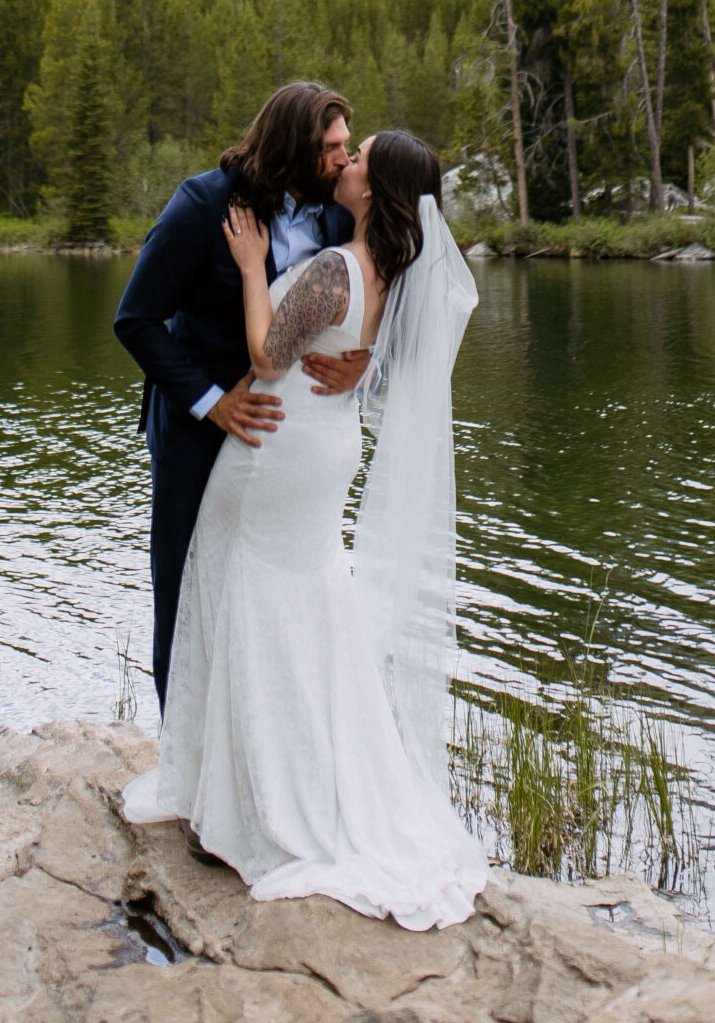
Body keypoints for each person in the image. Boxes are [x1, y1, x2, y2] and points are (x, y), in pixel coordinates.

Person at [121, 130, 488, 931]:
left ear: (376, 189)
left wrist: (254, 270)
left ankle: (253, 798)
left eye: (356, 157)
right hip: (320, 449)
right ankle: (258, 777)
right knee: (307, 606)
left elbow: (265, 350)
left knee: (244, 595)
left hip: (274, 446)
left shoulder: (332, 262)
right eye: (337, 149)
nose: (343, 163)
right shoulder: (391, 270)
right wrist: (367, 353)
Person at [114, 81, 366, 712]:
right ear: (291, 147)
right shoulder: (204, 205)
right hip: (196, 438)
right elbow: (136, 319)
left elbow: (373, 302)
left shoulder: (339, 214)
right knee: (185, 592)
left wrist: (364, 365)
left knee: (268, 597)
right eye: (331, 147)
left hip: (289, 447)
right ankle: (180, 755)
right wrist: (210, 402)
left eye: (346, 146)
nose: (343, 158)